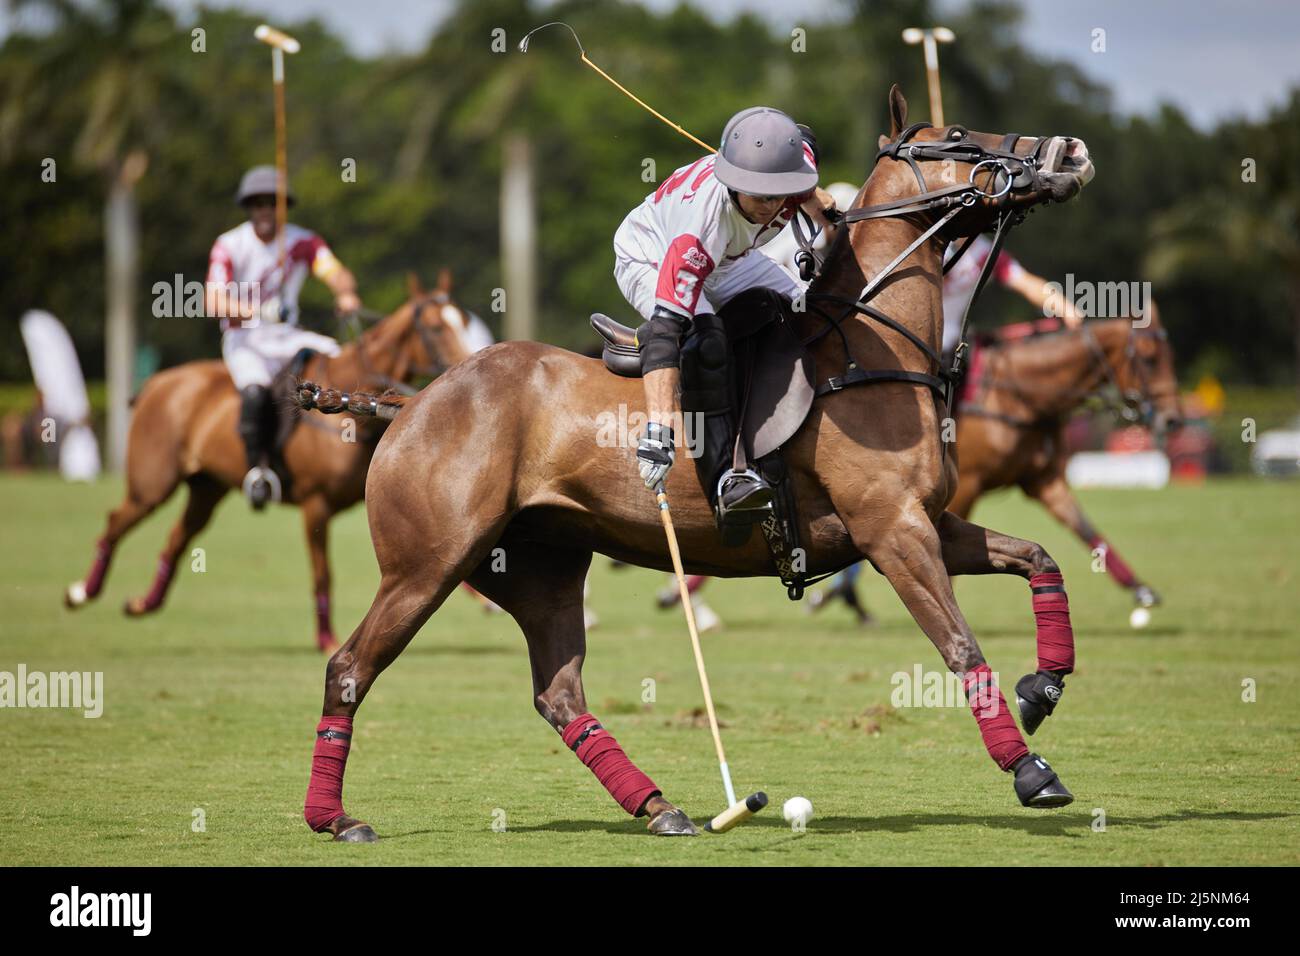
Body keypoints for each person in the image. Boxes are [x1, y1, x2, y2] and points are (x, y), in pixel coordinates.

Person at [614, 106, 839, 523]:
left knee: (814, 312)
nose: (770, 207)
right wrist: (658, 431)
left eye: (779, 194)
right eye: (759, 195)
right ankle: (727, 481)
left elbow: (803, 143)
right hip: (651, 255)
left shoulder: (791, 171)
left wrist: (814, 196)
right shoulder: (699, 228)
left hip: (731, 261)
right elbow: (666, 329)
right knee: (706, 342)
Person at [205, 165, 362, 509]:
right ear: (248, 208)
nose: (264, 210)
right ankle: (257, 472)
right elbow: (213, 300)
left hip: (288, 338)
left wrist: (345, 294)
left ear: (283, 207)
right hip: (246, 342)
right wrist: (259, 312)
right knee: (255, 392)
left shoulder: (302, 241)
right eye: (257, 203)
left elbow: (334, 271)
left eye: (271, 203)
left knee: (342, 367)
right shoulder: (230, 244)